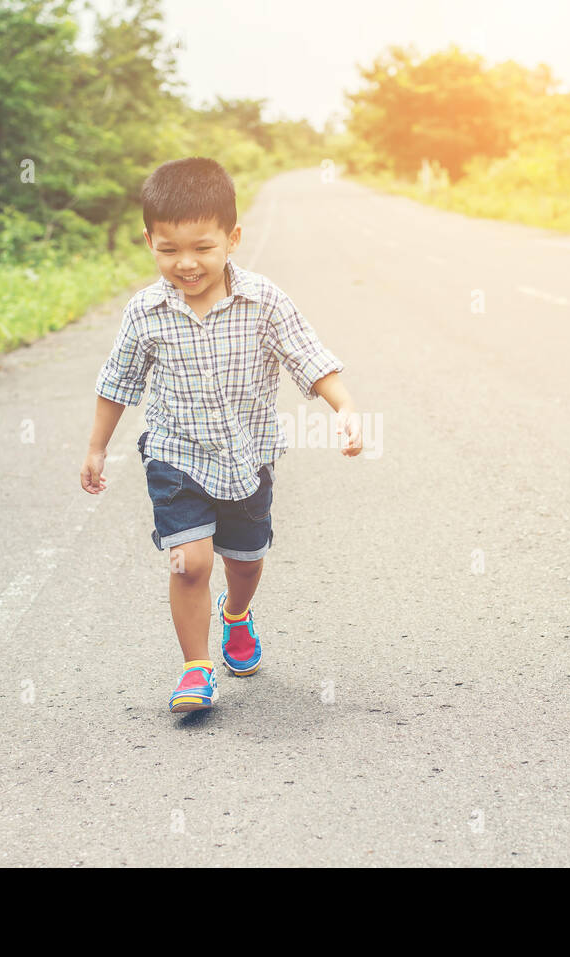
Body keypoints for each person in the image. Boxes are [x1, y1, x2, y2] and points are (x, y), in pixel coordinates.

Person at [80, 157, 362, 714]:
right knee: (191, 562)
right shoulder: (145, 312)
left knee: (247, 560)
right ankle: (195, 668)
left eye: (202, 248)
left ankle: (236, 614)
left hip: (248, 457)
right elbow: (118, 383)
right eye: (168, 250)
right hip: (174, 454)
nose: (186, 264)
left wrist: (345, 408)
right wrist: (96, 447)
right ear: (149, 242)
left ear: (233, 239)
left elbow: (309, 358)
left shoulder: (265, 301)